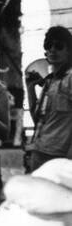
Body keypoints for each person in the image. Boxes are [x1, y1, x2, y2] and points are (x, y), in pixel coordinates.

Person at [25, 26, 72, 170]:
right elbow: (38, 119)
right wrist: (30, 88)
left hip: (60, 157)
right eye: (49, 45)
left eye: (58, 46)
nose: (52, 50)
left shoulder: (70, 79)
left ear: (69, 51)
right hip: (39, 152)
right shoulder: (49, 82)